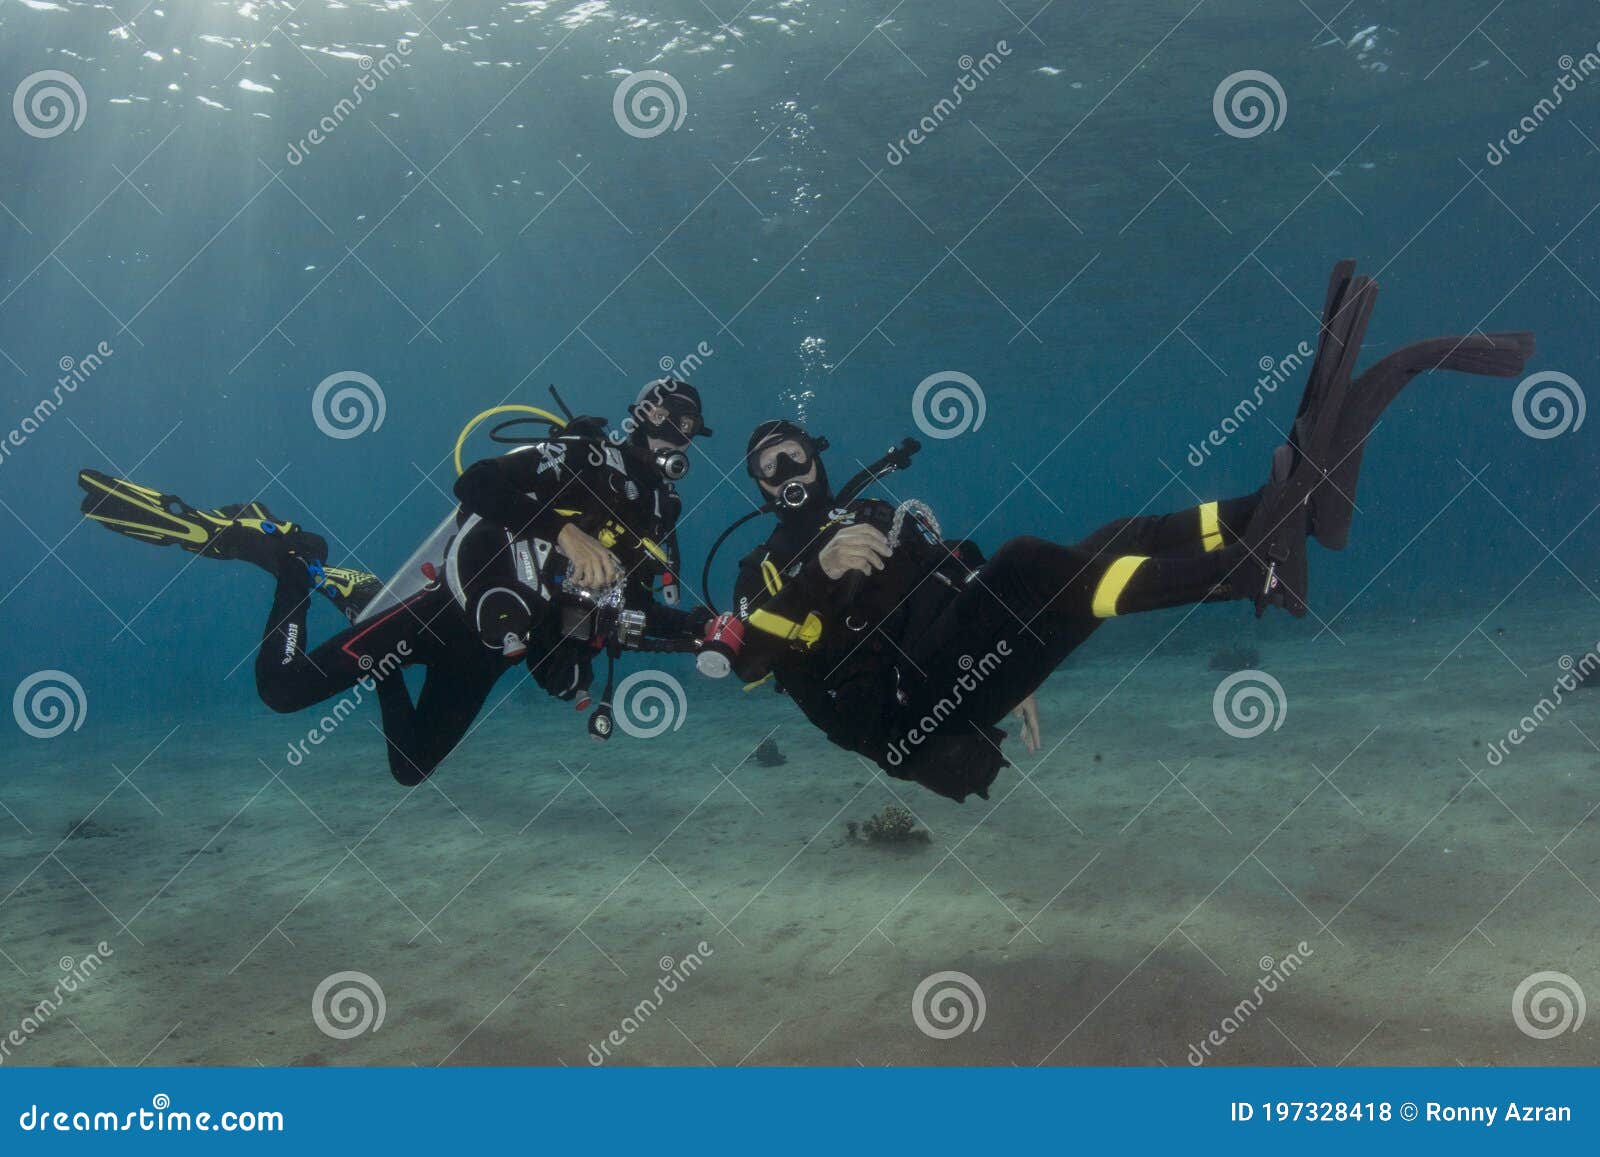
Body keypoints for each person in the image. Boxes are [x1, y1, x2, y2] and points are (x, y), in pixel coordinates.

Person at [719, 263, 1535, 802]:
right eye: (766, 468)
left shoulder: (868, 517)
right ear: (755, 486)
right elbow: (749, 660)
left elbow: (953, 580)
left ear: (817, 455)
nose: (785, 473)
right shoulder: (763, 569)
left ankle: (1270, 511)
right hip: (903, 720)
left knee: (1110, 538)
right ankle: (1252, 571)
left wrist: (1008, 668)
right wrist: (819, 571)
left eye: (793, 454)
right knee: (1032, 562)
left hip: (949, 674)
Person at [78, 380, 715, 783]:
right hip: (446, 609)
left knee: (410, 768)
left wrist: (704, 629)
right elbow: (477, 483)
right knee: (282, 691)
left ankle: (366, 612)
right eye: (674, 418)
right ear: (645, 411)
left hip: (492, 653)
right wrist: (563, 532)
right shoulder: (585, 455)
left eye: (690, 429)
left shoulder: (661, 516)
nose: (680, 437)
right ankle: (292, 562)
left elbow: (636, 607)